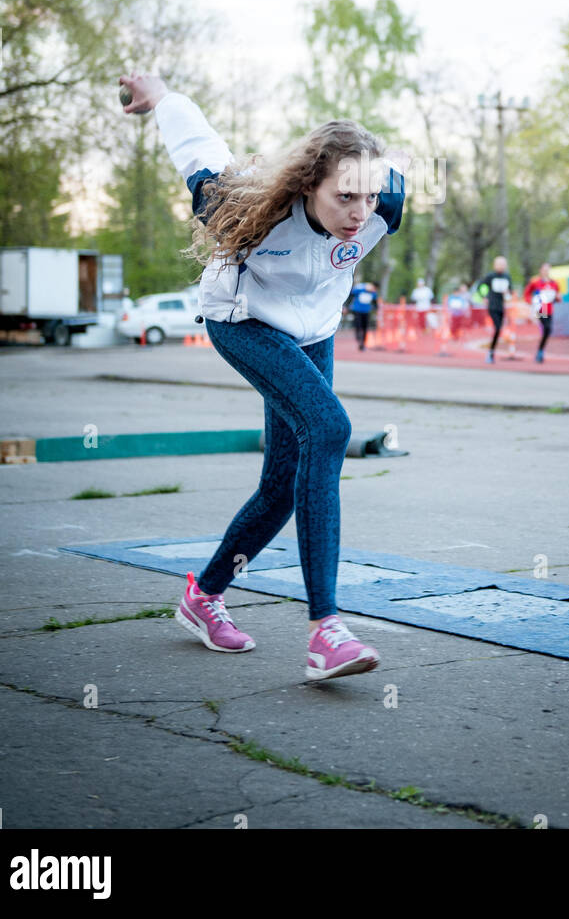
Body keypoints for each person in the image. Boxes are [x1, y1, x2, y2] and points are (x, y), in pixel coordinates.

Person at [119, 70, 407, 682]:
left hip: (314, 330)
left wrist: (374, 193)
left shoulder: (386, 201)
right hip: (242, 320)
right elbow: (197, 146)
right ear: (308, 186)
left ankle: (203, 596)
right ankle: (325, 631)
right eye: (343, 199)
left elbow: (376, 194)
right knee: (328, 429)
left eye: (368, 198)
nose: (360, 215)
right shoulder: (242, 204)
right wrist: (163, 97)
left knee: (282, 485)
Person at [476, 256, 512, 363]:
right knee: (497, 328)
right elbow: (480, 287)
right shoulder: (490, 276)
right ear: (495, 265)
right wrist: (484, 297)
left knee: (499, 329)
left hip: (502, 306)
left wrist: (508, 294)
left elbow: (511, 291)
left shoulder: (507, 277)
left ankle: (491, 351)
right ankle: (491, 352)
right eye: (499, 264)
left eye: (503, 264)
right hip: (492, 306)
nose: (502, 266)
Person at [524, 263, 561, 363]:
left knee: (548, 331)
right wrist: (530, 301)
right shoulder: (536, 283)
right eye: (544, 269)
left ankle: (540, 350)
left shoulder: (554, 284)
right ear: (540, 270)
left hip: (549, 310)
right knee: (547, 328)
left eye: (548, 270)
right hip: (540, 309)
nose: (546, 271)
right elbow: (527, 293)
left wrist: (558, 298)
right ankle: (540, 352)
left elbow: (558, 297)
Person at [349, 278, 377, 350]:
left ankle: (363, 343)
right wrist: (347, 306)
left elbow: (375, 302)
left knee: (365, 327)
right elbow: (350, 295)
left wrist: (376, 308)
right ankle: (359, 339)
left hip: (366, 311)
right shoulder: (360, 288)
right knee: (358, 325)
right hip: (357, 310)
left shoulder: (373, 292)